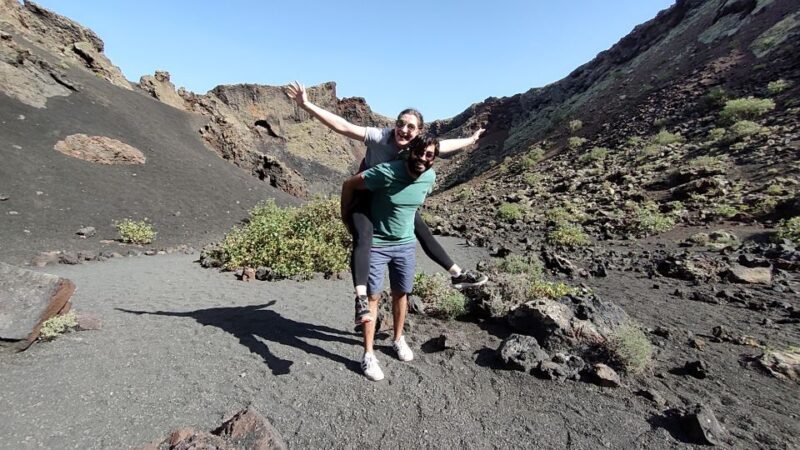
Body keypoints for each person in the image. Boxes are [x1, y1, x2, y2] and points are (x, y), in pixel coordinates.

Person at [284, 81, 488, 326]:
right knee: (364, 237)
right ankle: (360, 299)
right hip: (365, 194)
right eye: (400, 123)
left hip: (389, 199)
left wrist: (472, 139)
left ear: (418, 131)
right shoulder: (380, 137)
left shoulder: (419, 146)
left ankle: (457, 274)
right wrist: (306, 104)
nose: (403, 129)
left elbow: (446, 146)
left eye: (410, 127)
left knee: (421, 229)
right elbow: (343, 126)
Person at [340, 137, 440, 381]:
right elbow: (350, 184)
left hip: (404, 245)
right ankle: (368, 354)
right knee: (372, 297)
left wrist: (473, 137)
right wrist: (346, 217)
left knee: (401, 293)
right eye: (420, 152)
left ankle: (397, 339)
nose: (424, 158)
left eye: (429, 155)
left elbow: (414, 206)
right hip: (377, 243)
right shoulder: (385, 172)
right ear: (410, 152)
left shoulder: (429, 176)